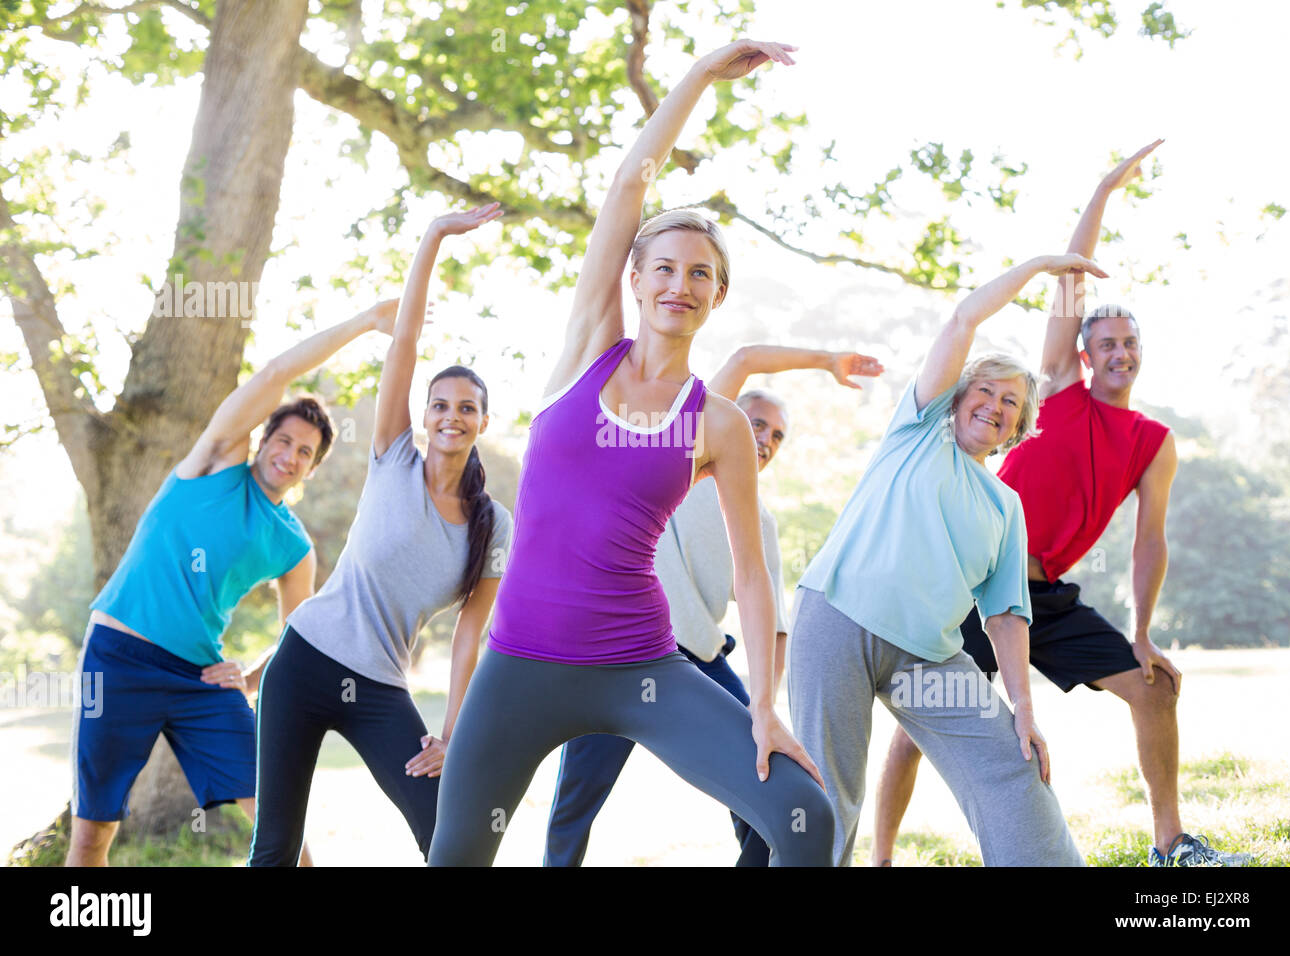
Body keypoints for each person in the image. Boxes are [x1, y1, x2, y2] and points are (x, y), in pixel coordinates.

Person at [427, 39, 834, 867]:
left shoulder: (717, 424)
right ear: (637, 278)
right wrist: (700, 77)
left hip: (640, 664)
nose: (680, 284)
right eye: (665, 267)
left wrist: (763, 703)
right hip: (521, 665)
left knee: (805, 815)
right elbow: (628, 186)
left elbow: (754, 575)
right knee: (456, 857)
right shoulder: (587, 352)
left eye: (701, 274)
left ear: (717, 296)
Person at [871, 141, 1248, 867]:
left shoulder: (1152, 441)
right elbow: (1071, 285)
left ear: (1140, 351)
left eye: (1128, 342)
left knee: (1155, 687)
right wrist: (1106, 190)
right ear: (1083, 355)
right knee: (915, 726)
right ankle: (881, 859)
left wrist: (1143, 632)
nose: (1119, 352)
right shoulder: (1051, 395)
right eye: (1104, 342)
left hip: (1045, 598)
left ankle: (1171, 845)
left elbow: (1149, 543)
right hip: (976, 590)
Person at [789, 250, 1106, 867]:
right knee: (831, 796)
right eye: (984, 389)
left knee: (1013, 768)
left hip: (926, 657)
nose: (993, 403)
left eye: (1011, 402)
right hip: (838, 621)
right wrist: (1041, 267)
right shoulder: (917, 430)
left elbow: (1009, 615)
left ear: (1018, 426)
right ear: (957, 398)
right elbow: (962, 321)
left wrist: (1024, 711)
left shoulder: (1005, 506)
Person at [68, 299, 399, 866]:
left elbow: (303, 641)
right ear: (262, 439)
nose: (289, 456)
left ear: (310, 469)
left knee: (279, 821)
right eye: (283, 441)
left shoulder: (293, 547)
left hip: (199, 678)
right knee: (92, 835)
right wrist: (366, 322)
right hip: (118, 657)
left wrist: (246, 678)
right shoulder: (215, 461)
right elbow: (274, 374)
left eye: (305, 452)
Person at [544, 346, 882, 867]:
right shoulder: (682, 454)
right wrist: (827, 360)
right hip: (616, 653)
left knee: (774, 783)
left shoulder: (760, 522)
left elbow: (774, 625)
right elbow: (745, 357)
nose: (765, 439)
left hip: (696, 661)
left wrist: (764, 707)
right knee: (576, 804)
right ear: (726, 416)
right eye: (758, 423)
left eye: (776, 436)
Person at [248, 205, 512, 865]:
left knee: (449, 834)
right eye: (441, 404)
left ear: (483, 421)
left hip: (380, 688)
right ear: (423, 414)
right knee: (276, 848)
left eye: (467, 408)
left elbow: (470, 636)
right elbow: (405, 342)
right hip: (303, 661)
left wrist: (451, 731)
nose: (452, 416)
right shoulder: (392, 455)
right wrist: (433, 237)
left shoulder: (494, 523)